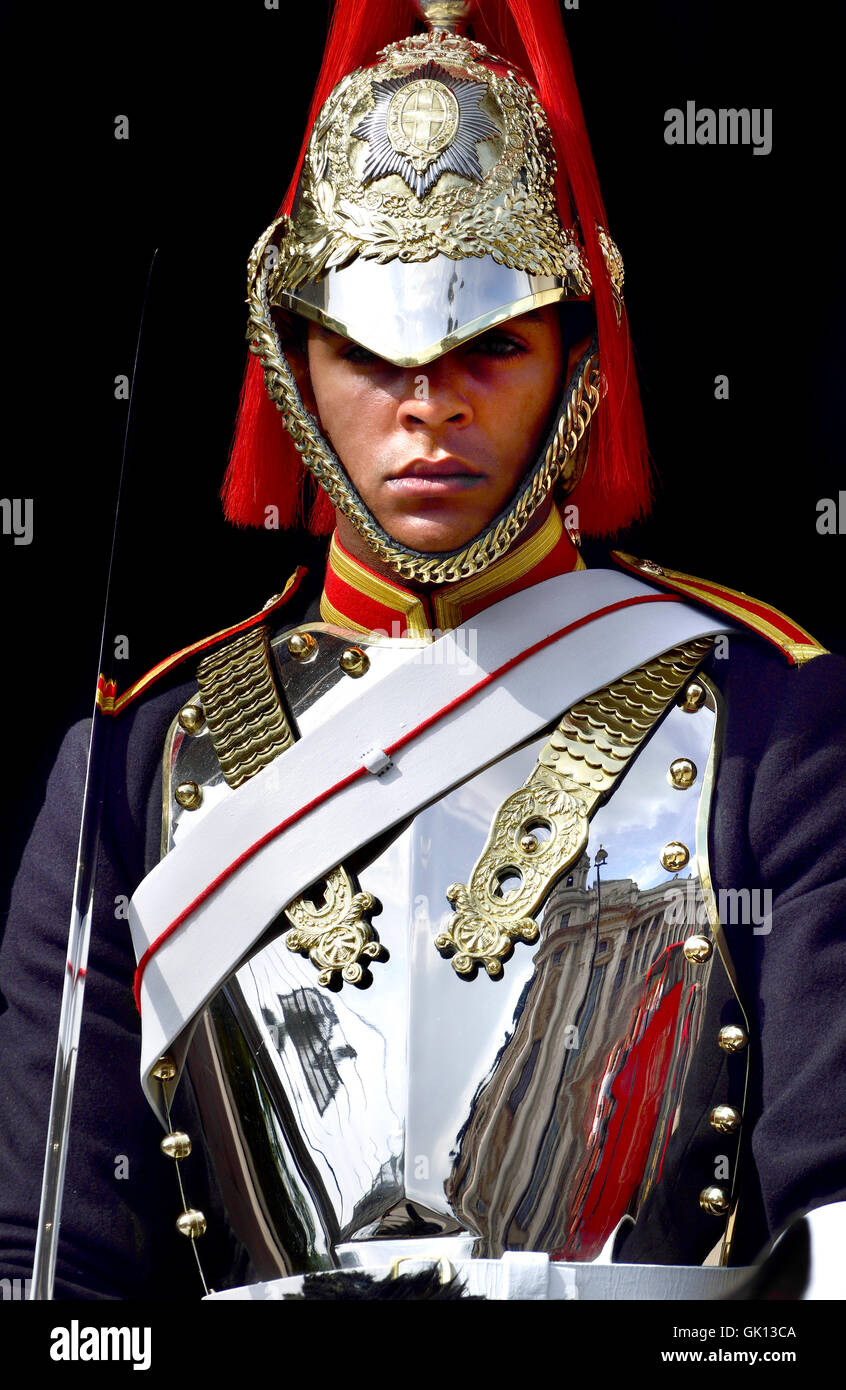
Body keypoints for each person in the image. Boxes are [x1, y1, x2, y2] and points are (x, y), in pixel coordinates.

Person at [1, 0, 845, 1303]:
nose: (427, 405)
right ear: (288, 354)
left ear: (578, 348)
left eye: (488, 346)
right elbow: (64, 1277)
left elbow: (833, 1227)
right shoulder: (126, 767)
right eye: (367, 350)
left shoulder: (779, 723)